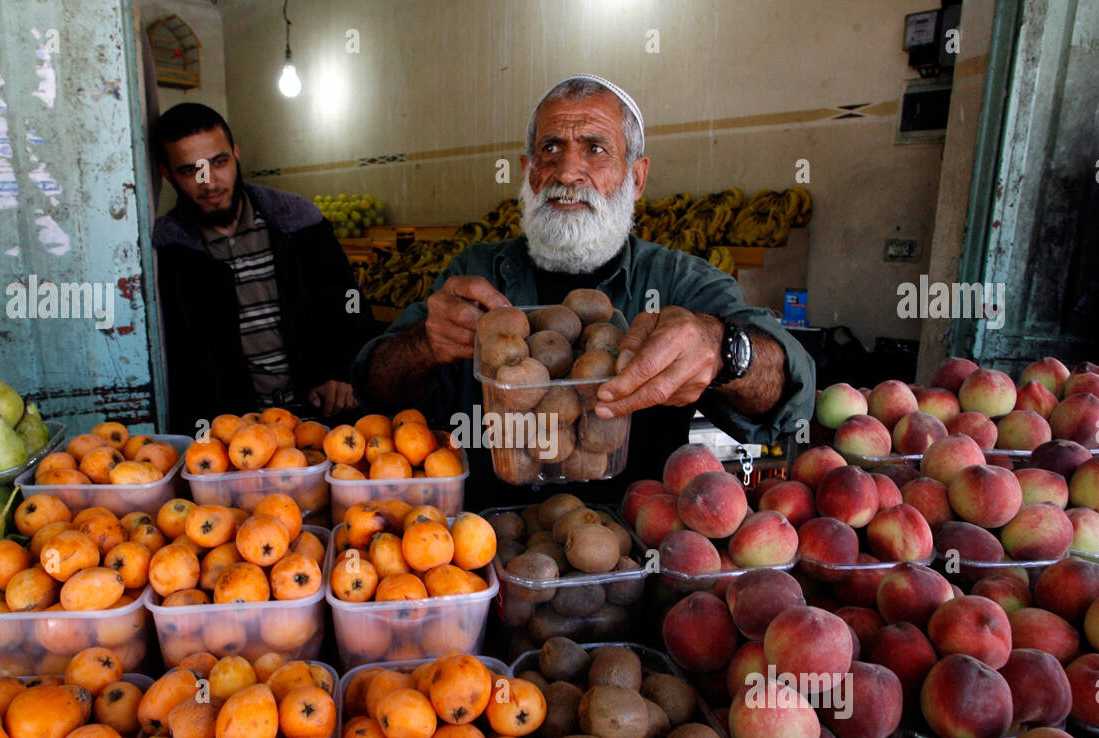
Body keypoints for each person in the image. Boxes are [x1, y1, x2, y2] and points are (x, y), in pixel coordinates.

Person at [354, 75, 815, 504]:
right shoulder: (476, 272)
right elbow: (375, 389)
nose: (568, 171)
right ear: (528, 170)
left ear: (636, 178)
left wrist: (724, 349)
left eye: (595, 148)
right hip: (487, 548)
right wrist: (423, 346)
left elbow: (793, 397)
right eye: (550, 148)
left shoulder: (678, 282)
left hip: (633, 547)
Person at [151, 103, 383, 432]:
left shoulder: (298, 224)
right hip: (233, 438)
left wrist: (344, 369)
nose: (210, 182)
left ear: (235, 153)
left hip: (320, 425)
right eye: (190, 171)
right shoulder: (169, 252)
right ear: (167, 173)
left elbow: (350, 301)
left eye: (219, 162)